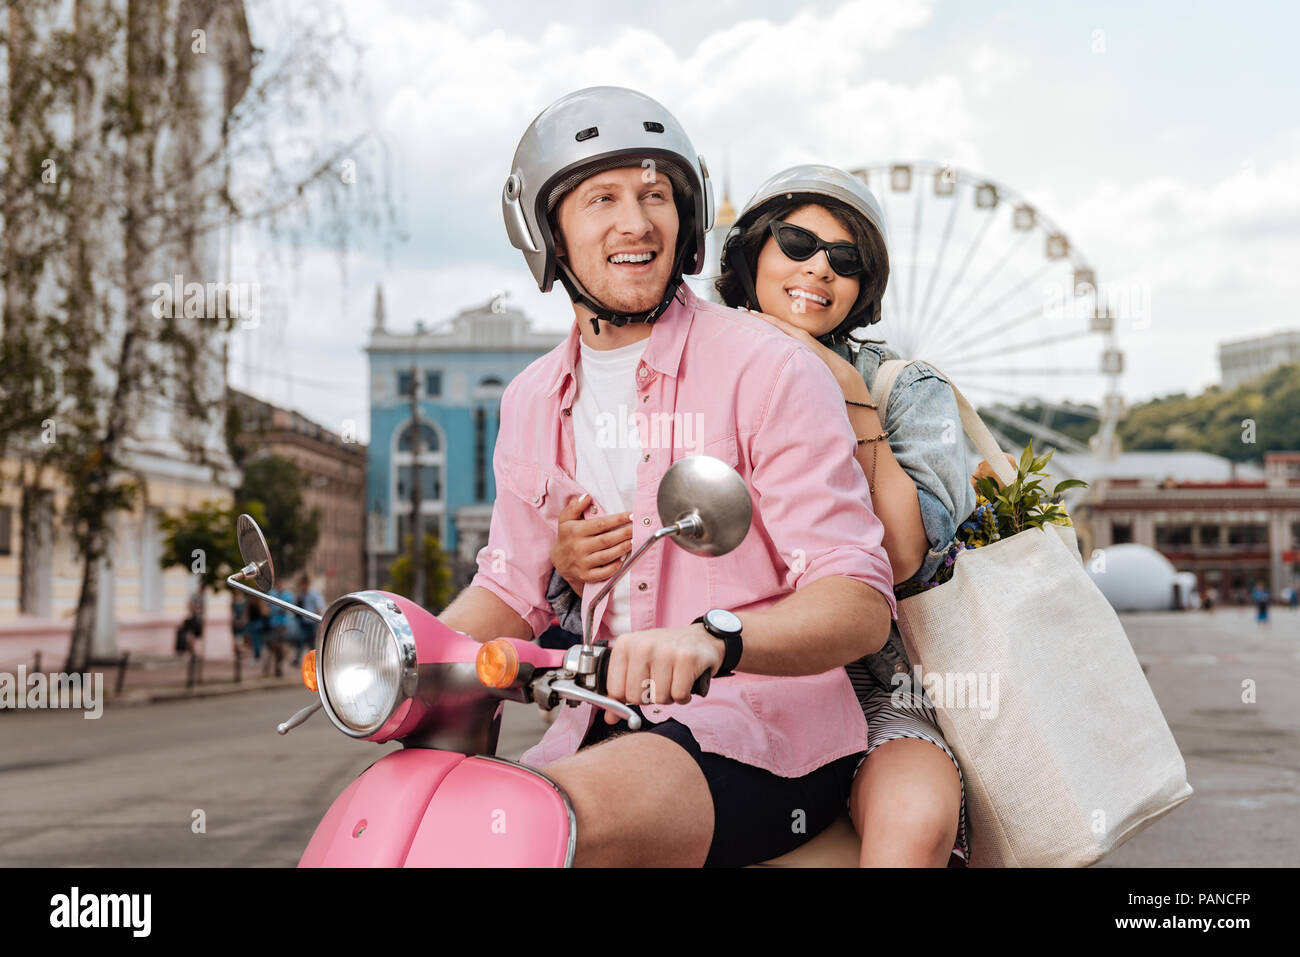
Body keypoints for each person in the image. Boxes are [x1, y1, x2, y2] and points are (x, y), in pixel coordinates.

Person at [437, 87, 897, 867]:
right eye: (601, 198)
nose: (636, 222)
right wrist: (397, 653)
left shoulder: (768, 368)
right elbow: (511, 588)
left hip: (760, 732)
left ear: (687, 217)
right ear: (546, 230)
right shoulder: (529, 402)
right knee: (425, 823)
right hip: (601, 720)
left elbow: (855, 599)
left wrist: (718, 639)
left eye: (656, 195)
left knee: (520, 831)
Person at [552, 165, 976, 866]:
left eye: (847, 260)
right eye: (798, 242)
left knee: (913, 823)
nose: (820, 268)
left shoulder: (905, 387)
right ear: (752, 252)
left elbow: (903, 556)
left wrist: (844, 389)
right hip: (735, 679)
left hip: (878, 675)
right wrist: (565, 561)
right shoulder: (681, 371)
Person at [293, 574, 325, 665]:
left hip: (312, 623)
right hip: (303, 622)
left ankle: (315, 662)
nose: (302, 586)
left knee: (312, 644)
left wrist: (319, 623)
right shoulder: (301, 595)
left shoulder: (314, 595)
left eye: (303, 584)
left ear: (307, 584)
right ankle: (298, 659)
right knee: (300, 641)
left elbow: (319, 608)